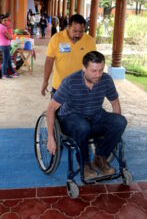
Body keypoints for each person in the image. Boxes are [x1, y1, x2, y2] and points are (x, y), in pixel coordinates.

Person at [46, 51, 126, 181]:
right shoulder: (70, 82)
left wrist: (113, 134)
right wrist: (50, 137)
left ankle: (100, 158)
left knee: (120, 122)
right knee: (83, 126)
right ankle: (84, 164)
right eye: (94, 71)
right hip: (70, 118)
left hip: (95, 115)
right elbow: (51, 108)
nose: (98, 75)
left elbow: (115, 104)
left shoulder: (106, 80)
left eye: (101, 70)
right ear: (84, 68)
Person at [42, 14, 96, 95]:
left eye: (81, 31)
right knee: (56, 108)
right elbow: (49, 60)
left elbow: (93, 64)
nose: (78, 34)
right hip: (60, 87)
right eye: (75, 31)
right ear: (68, 27)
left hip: (81, 88)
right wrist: (45, 81)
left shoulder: (90, 41)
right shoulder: (56, 38)